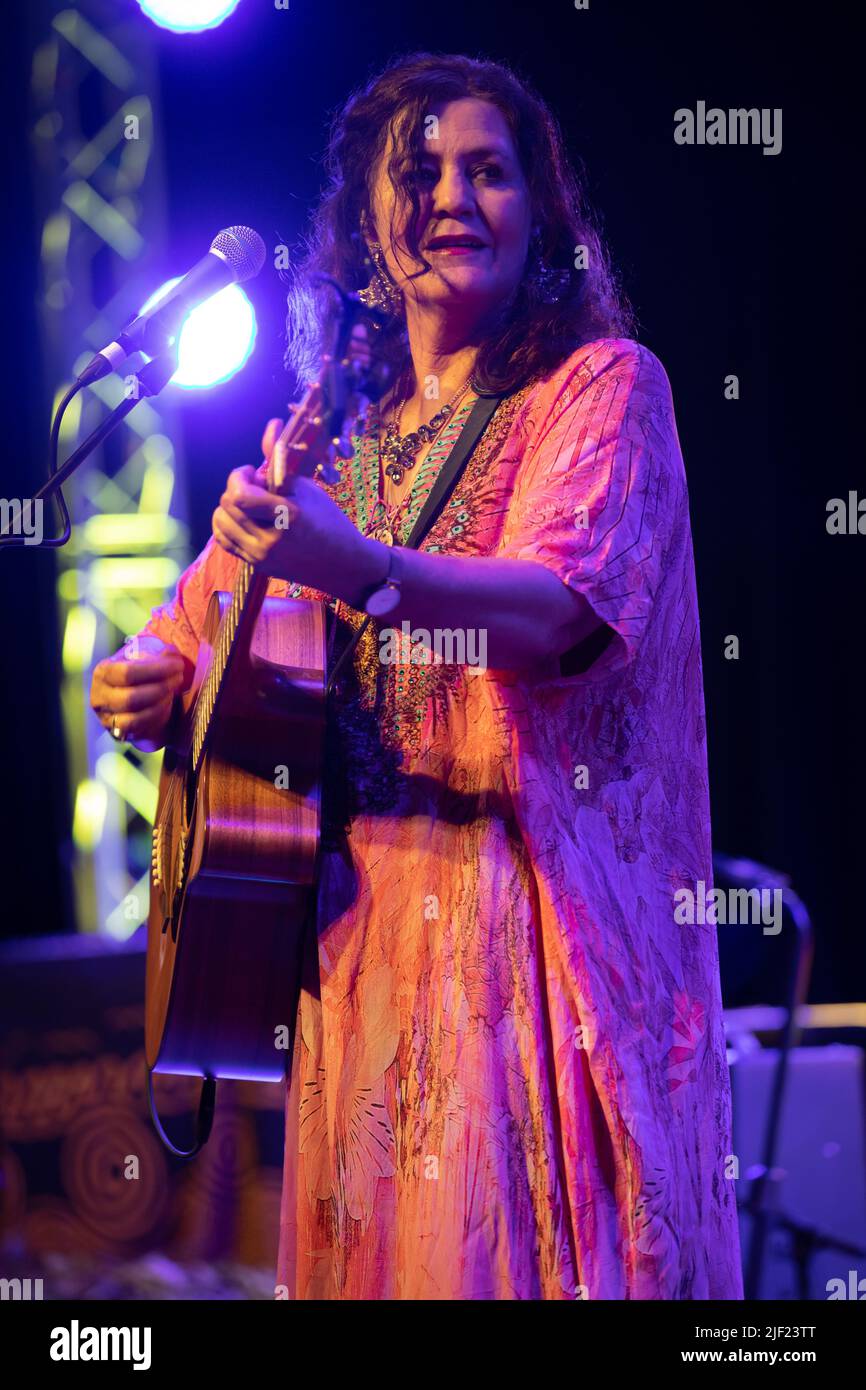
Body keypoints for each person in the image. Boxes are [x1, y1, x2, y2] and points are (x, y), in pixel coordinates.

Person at [89, 52, 743, 1300]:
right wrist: (141, 679)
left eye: (486, 171)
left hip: (530, 956)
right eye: (417, 173)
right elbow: (189, 632)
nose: (449, 197)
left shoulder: (601, 391)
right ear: (367, 226)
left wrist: (362, 566)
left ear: (540, 214)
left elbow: (559, 610)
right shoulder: (327, 443)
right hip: (358, 967)